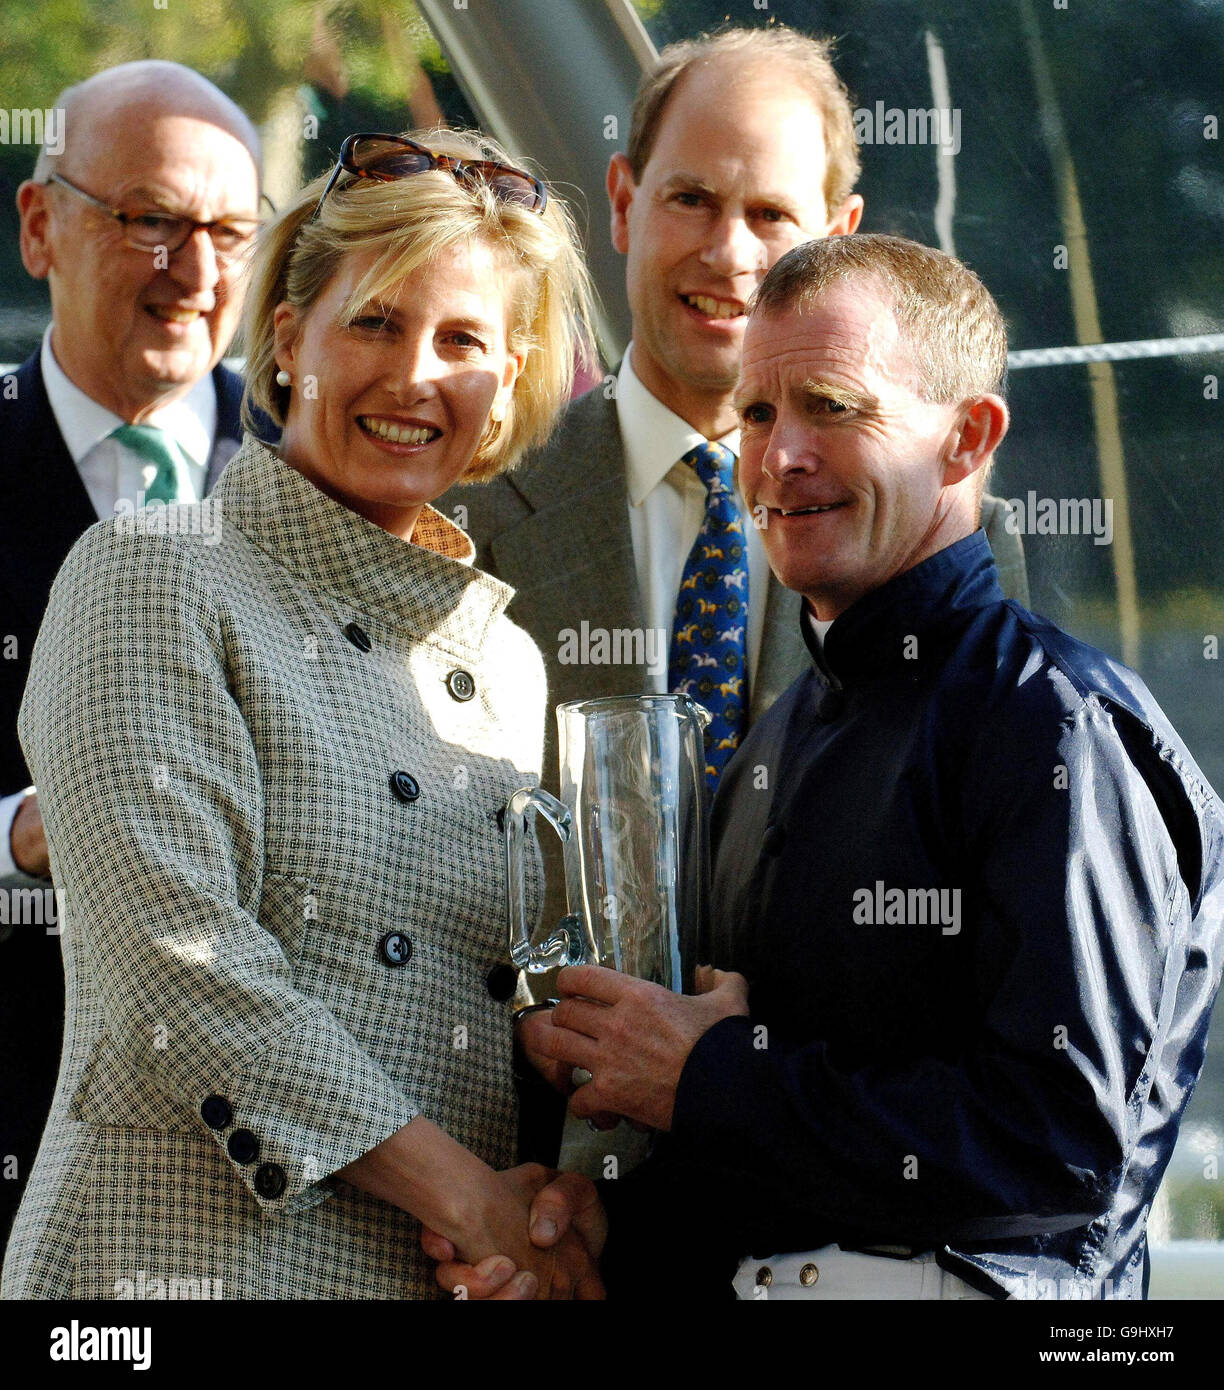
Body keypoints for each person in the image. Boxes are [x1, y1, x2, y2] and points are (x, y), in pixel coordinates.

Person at [431, 234, 1224, 1301]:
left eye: (832, 407)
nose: (779, 455)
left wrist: (709, 1074)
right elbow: (773, 1150)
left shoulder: (1052, 724)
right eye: (757, 414)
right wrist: (593, 1232)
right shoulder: (775, 741)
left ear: (967, 438)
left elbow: (1062, 1146)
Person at [2, 127, 605, 1300]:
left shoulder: (516, 668)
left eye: (463, 340)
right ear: (287, 342)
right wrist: (469, 1195)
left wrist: (561, 1199)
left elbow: (529, 995)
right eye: (374, 322)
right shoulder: (152, 572)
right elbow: (176, 964)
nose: (414, 375)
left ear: (507, 382)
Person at [0, 60, 263, 1252]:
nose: (196, 273)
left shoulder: (316, 476)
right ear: (41, 224)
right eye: (152, 221)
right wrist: (21, 834)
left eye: (228, 231)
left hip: (258, 1170)